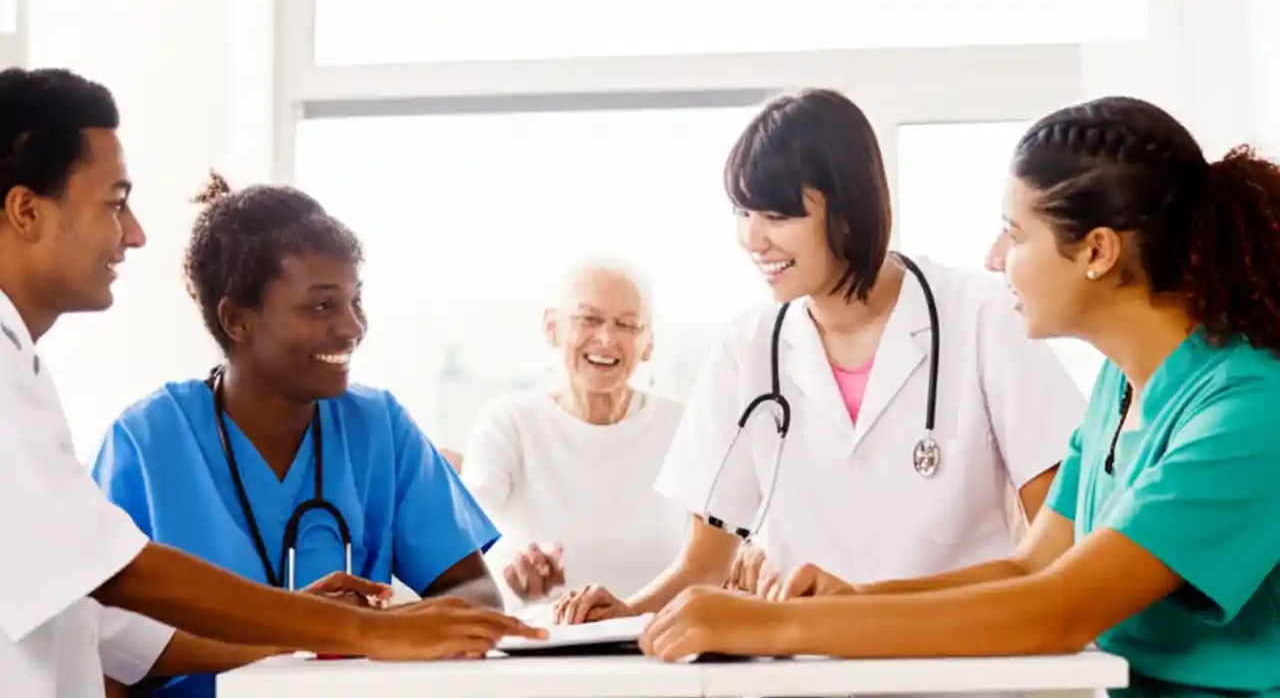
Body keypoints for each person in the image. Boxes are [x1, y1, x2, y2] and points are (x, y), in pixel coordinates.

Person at [637, 96, 1280, 696]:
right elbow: (1030, 569)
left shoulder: (1250, 411)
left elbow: (1057, 611)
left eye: (1015, 233)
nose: (995, 257)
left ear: (1097, 251)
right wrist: (853, 602)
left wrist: (767, 627)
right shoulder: (1122, 387)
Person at [0, 67, 539, 698]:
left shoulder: (21, 366)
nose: (136, 233)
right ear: (26, 210)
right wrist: (360, 631)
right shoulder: (138, 432)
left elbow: (118, 633)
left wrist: (319, 633)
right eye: (115, 202)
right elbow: (122, 577)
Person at [555, 88, 1085, 625]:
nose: (753, 239)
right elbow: (703, 564)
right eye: (743, 211)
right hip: (810, 668)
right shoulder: (748, 348)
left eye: (777, 215)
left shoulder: (982, 316)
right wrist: (623, 615)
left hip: (958, 665)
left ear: (848, 210)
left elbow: (1057, 542)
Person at [91, 173, 511, 696]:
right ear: (238, 320)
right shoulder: (147, 443)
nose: (353, 326)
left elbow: (475, 596)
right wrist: (312, 625)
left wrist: (381, 621)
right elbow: (104, 653)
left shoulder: (379, 427)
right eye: (322, 306)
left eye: (355, 301)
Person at [460, 260, 685, 612]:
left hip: (658, 645)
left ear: (648, 343)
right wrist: (511, 574)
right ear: (552, 328)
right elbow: (466, 537)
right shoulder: (510, 420)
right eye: (589, 320)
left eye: (626, 324)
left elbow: (721, 549)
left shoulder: (682, 425)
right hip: (544, 645)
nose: (607, 339)